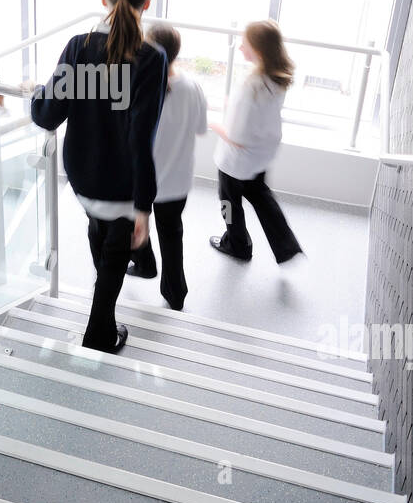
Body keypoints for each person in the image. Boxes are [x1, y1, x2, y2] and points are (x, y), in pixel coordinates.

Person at [30, 0, 166, 353]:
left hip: (84, 180)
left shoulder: (78, 45)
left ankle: (101, 316)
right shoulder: (151, 59)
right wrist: (144, 209)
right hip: (123, 186)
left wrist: (36, 91)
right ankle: (99, 335)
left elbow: (47, 114)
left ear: (103, 0)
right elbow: (141, 139)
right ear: (148, 3)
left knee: (101, 232)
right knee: (114, 253)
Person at [209, 19, 303, 265]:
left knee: (229, 204)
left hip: (235, 163)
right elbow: (257, 115)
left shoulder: (251, 85)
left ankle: (237, 244)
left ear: (258, 49)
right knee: (262, 197)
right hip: (261, 156)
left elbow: (236, 137)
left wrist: (211, 124)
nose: (240, 48)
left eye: (245, 43)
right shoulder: (278, 77)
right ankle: (287, 246)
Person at [128, 21, 207, 310]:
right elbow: (200, 128)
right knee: (172, 235)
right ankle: (175, 293)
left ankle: (145, 263)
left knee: (133, 226)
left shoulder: (141, 87)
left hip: (144, 182)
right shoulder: (192, 86)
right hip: (178, 182)